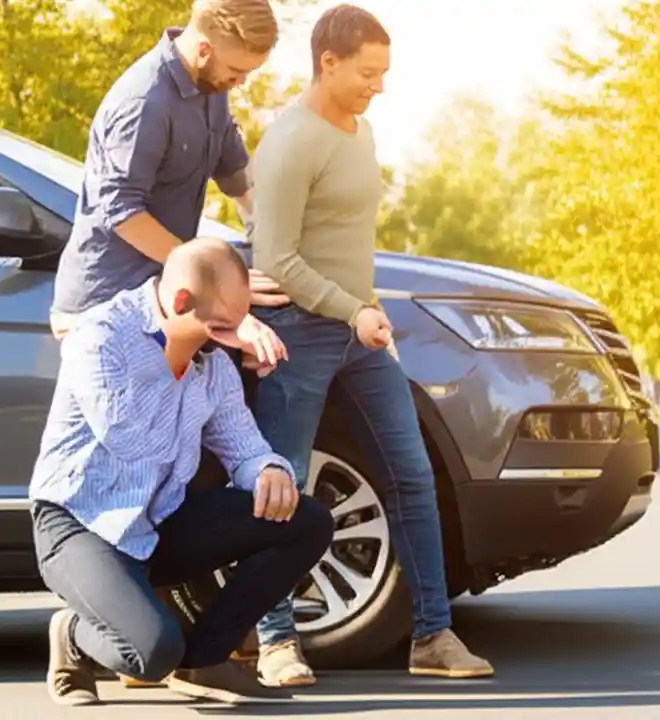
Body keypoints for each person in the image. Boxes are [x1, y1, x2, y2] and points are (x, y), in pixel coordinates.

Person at [245, 4, 495, 687]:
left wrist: (369, 311)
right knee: (282, 486)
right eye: (367, 72)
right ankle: (274, 642)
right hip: (298, 332)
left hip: (359, 333)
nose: (378, 85)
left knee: (411, 475)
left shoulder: (362, 132)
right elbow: (277, 258)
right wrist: (350, 309)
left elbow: (350, 242)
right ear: (327, 62)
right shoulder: (290, 143)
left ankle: (433, 636)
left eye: (383, 73)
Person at [30, 238, 334, 706]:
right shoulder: (100, 336)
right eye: (220, 326)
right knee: (151, 654)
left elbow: (244, 444)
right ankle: (73, 633)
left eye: (236, 324)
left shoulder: (212, 358)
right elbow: (128, 440)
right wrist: (180, 354)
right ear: (179, 303)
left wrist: (269, 471)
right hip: (80, 523)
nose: (232, 338)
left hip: (157, 518)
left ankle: (206, 659)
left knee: (306, 521)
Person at [49, 0, 289, 373]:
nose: (242, 82)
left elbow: (237, 177)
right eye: (237, 71)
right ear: (204, 50)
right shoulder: (145, 102)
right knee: (141, 430)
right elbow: (124, 214)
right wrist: (209, 282)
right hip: (107, 308)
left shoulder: (212, 87)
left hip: (166, 296)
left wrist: (278, 245)